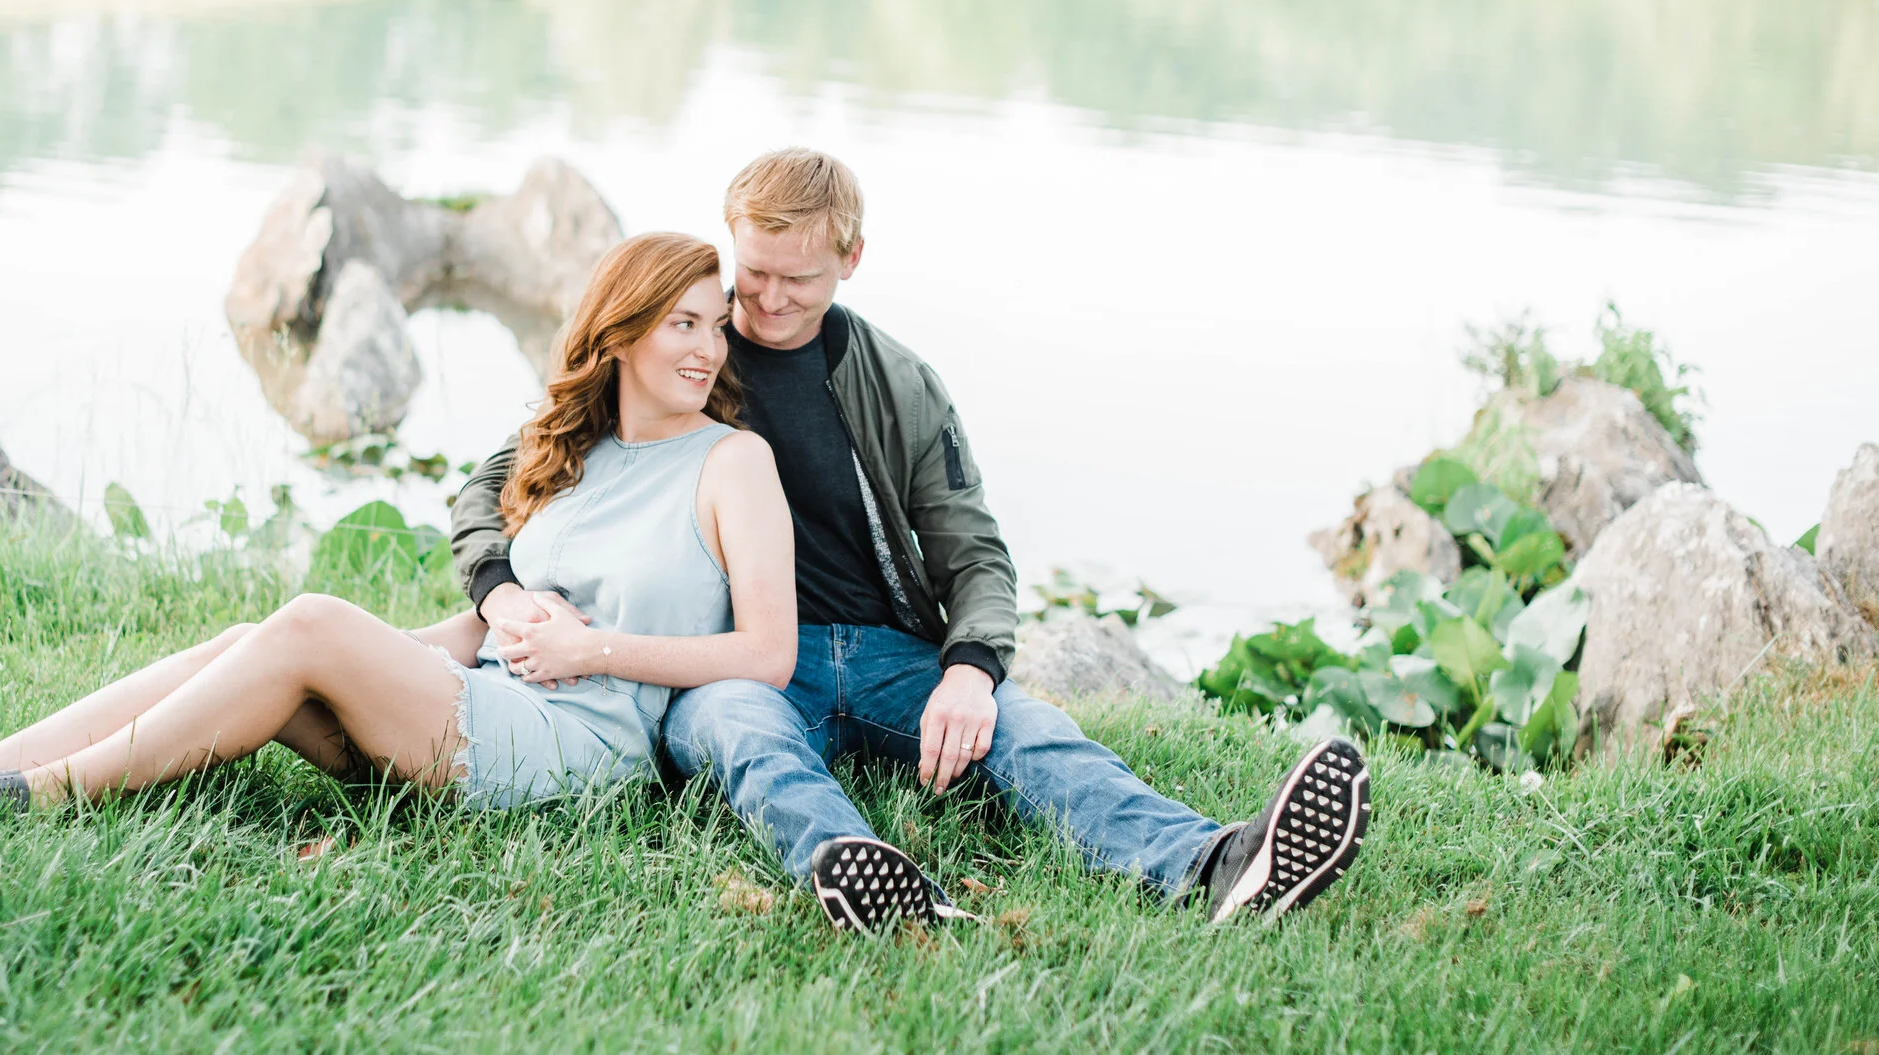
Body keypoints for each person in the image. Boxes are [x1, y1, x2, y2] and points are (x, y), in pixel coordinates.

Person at [452, 150, 1371, 931]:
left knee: (1027, 729)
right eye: (753, 270)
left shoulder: (901, 384)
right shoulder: (679, 349)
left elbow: (975, 552)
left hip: (890, 652)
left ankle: (1216, 863)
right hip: (730, 661)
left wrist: (970, 669)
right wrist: (500, 588)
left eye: (797, 278)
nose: (763, 300)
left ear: (851, 258)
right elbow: (500, 476)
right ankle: (881, 886)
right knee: (736, 727)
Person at [0, 233, 799, 823]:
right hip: (481, 696)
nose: (708, 349)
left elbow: (767, 655)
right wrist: (394, 654)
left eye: (715, 327)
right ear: (622, 332)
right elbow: (496, 626)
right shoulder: (577, 451)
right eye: (683, 323)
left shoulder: (731, 463)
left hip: (576, 745)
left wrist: (595, 653)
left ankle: (38, 798)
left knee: (312, 621)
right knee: (260, 640)